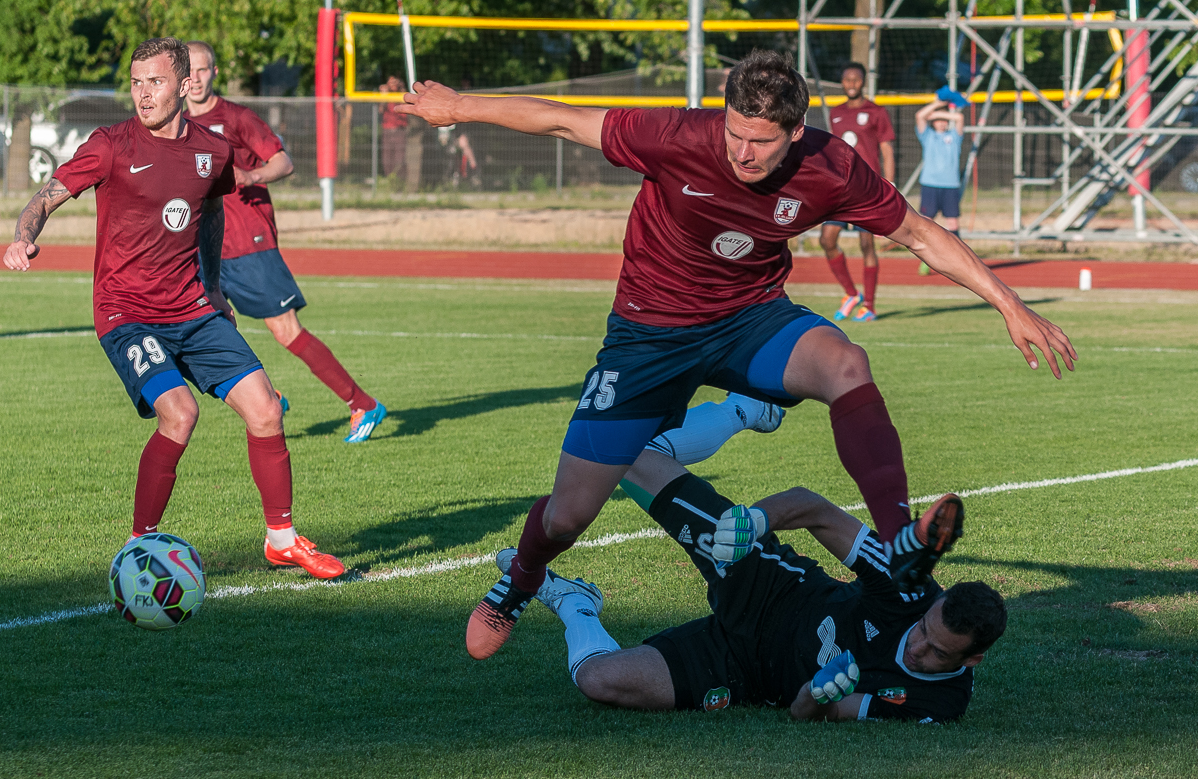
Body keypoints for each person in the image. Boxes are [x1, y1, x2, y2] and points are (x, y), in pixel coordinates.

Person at [399, 49, 1073, 662]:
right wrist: (455, 107)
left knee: (845, 363)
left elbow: (919, 234)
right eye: (734, 135)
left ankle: (896, 544)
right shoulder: (675, 136)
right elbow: (560, 120)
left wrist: (1008, 303)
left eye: (761, 142)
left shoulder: (829, 165)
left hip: (749, 321)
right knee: (568, 516)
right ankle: (521, 581)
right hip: (646, 337)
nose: (743, 153)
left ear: (794, 133)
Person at [2, 37, 345, 580]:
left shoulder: (214, 150)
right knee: (180, 413)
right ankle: (138, 545)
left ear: (185, 86)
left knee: (266, 409)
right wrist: (23, 237)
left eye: (155, 82)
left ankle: (281, 538)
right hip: (126, 312)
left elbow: (211, 215)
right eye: (136, 83)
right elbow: (46, 195)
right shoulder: (111, 145)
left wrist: (214, 289)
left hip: (194, 309)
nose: (143, 94)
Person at [497, 396, 1006, 723]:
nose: (917, 647)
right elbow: (816, 509)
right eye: (923, 631)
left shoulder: (940, 705)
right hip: (766, 584)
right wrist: (755, 523)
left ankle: (575, 604)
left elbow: (806, 713)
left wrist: (819, 693)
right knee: (629, 453)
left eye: (938, 652)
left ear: (972, 660)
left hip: (743, 669)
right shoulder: (909, 588)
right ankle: (743, 409)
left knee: (598, 682)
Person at [185, 41, 387, 443]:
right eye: (188, 71)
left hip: (248, 241)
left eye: (203, 70)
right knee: (194, 332)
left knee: (285, 329)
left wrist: (250, 176)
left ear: (215, 72)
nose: (195, 80)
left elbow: (283, 161)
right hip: (201, 246)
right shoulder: (178, 125)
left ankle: (362, 403)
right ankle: (267, 396)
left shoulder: (237, 118)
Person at [820, 62, 896, 323]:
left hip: (868, 188)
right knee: (827, 239)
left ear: (863, 82)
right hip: (840, 187)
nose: (851, 83)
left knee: (867, 244)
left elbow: (886, 149)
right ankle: (851, 294)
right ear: (842, 82)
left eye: (856, 79)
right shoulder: (836, 112)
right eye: (847, 79)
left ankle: (870, 306)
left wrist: (890, 183)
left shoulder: (876, 111)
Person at [915, 95, 966, 238]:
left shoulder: (954, 137)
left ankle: (956, 256)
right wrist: (938, 104)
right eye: (938, 120)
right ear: (932, 121)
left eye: (944, 120)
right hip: (930, 184)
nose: (942, 123)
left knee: (953, 223)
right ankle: (927, 258)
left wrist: (939, 113)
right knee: (927, 222)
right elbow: (920, 115)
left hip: (950, 185)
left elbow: (960, 118)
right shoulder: (927, 135)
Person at [379, 75, 408, 181]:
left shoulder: (402, 94)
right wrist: (383, 96)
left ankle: (400, 181)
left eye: (395, 82)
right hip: (387, 130)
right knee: (387, 158)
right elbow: (381, 110)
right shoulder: (387, 97)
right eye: (390, 83)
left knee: (399, 158)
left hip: (399, 130)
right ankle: (389, 179)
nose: (393, 85)